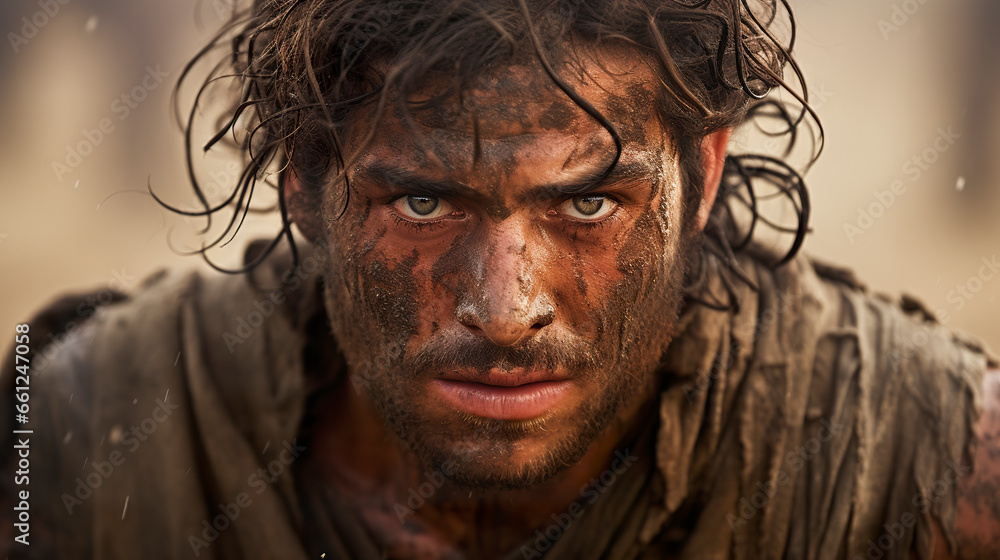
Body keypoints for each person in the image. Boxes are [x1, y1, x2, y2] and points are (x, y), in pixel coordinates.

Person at [2, 1, 998, 558]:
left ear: (700, 175)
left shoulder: (930, 467)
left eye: (587, 204)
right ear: (306, 181)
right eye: (425, 206)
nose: (505, 306)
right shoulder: (78, 436)